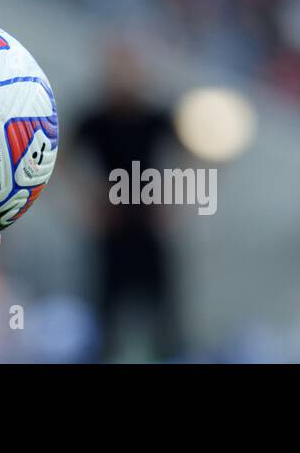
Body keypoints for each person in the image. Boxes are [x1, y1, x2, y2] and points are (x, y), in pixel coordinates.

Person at [75, 41, 182, 361]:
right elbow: (60, 158)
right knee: (103, 312)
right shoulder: (95, 118)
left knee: (163, 312)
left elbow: (198, 152)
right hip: (111, 228)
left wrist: (177, 200)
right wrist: (85, 202)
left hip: (148, 224)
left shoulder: (156, 117)